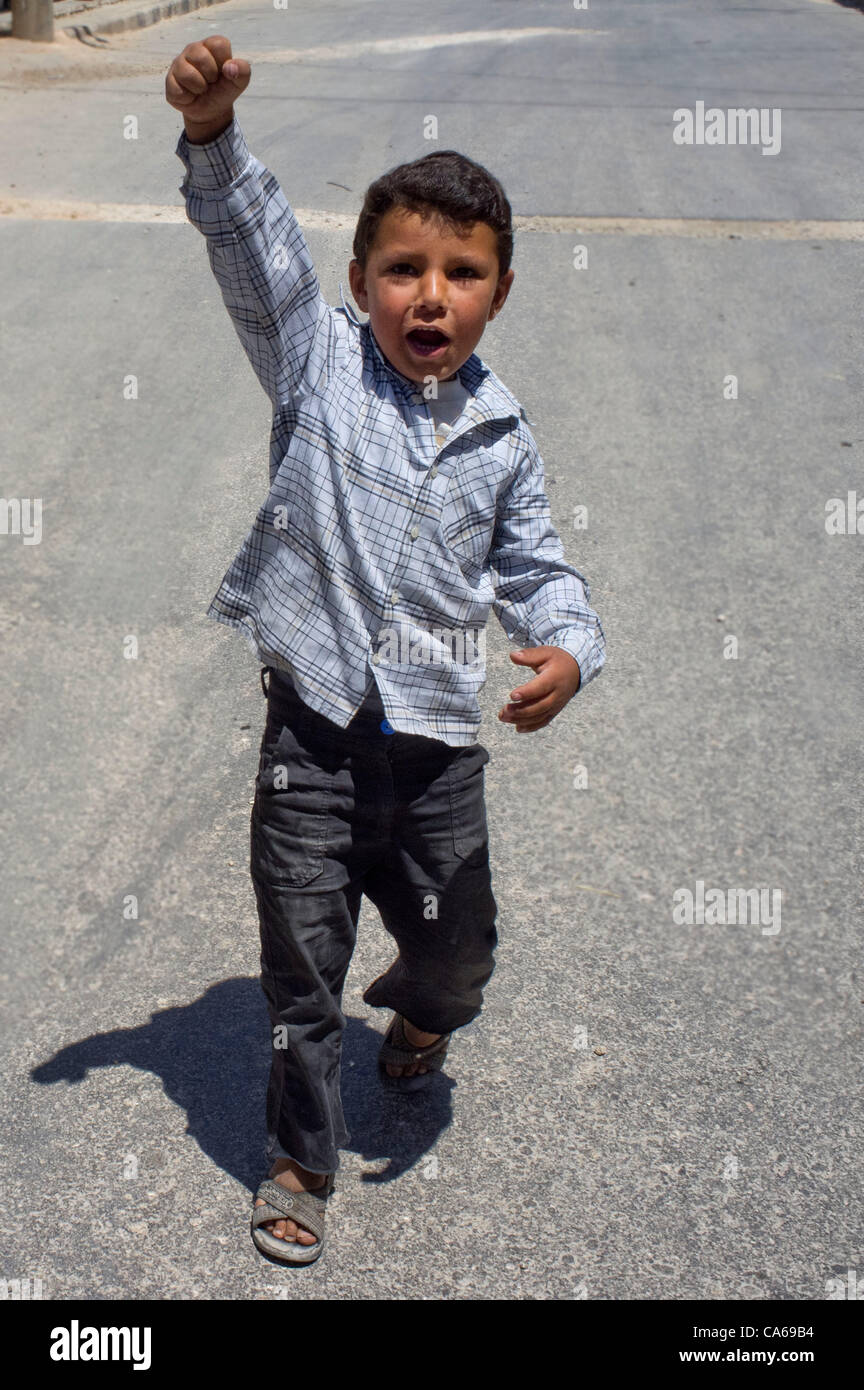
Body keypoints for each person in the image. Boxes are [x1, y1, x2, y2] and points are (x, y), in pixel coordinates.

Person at [167, 34, 606, 1265]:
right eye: (402, 268)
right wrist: (213, 140)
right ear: (359, 281)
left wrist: (567, 646)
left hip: (433, 758)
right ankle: (302, 1158)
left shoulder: (504, 436)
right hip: (310, 739)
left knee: (457, 951)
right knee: (300, 975)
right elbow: (252, 258)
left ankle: (419, 1026)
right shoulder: (316, 365)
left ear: (498, 292)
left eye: (461, 273)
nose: (430, 294)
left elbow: (540, 567)